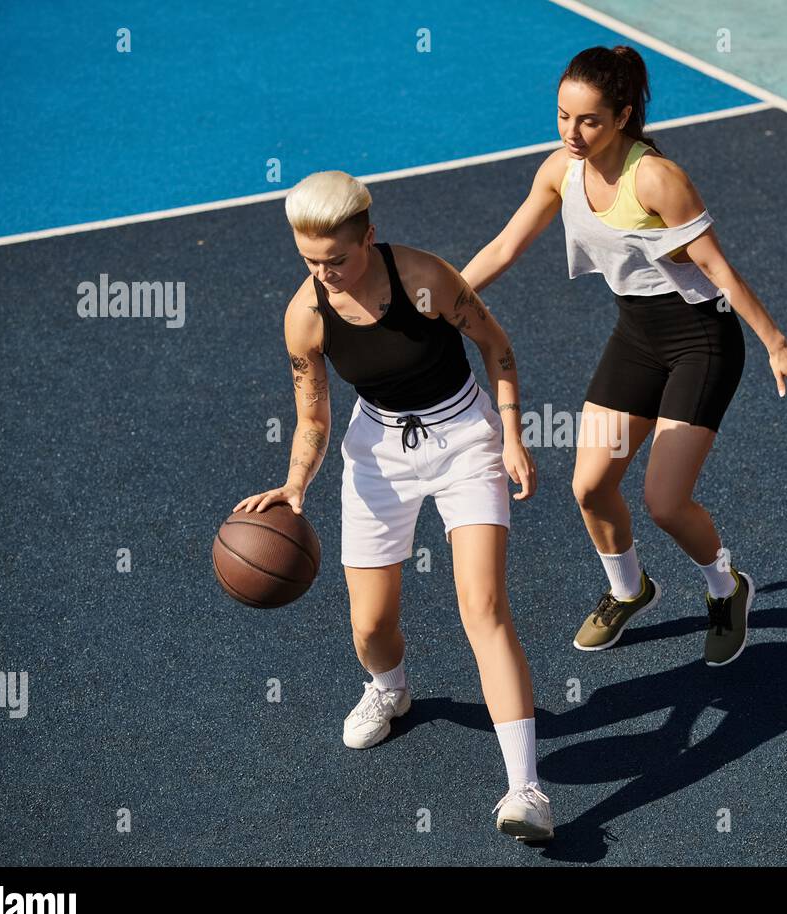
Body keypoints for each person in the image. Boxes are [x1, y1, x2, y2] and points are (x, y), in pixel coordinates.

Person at [462, 46, 787, 666]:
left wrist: (776, 342)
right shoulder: (560, 171)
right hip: (636, 336)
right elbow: (504, 246)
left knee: (664, 501)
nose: (572, 134)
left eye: (589, 121)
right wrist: (444, 302)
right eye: (562, 116)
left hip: (701, 342)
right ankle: (629, 589)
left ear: (624, 115)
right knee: (591, 487)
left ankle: (726, 587)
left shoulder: (656, 178)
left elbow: (716, 266)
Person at [234, 170, 552, 841]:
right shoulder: (306, 316)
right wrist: (295, 486)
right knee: (371, 629)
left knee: (483, 607)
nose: (325, 273)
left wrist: (515, 435)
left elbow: (496, 346)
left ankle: (527, 790)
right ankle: (391, 687)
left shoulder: (424, 279)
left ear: (369, 238)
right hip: (378, 452)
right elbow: (313, 418)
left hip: (465, 438)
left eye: (337, 259)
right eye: (309, 260)